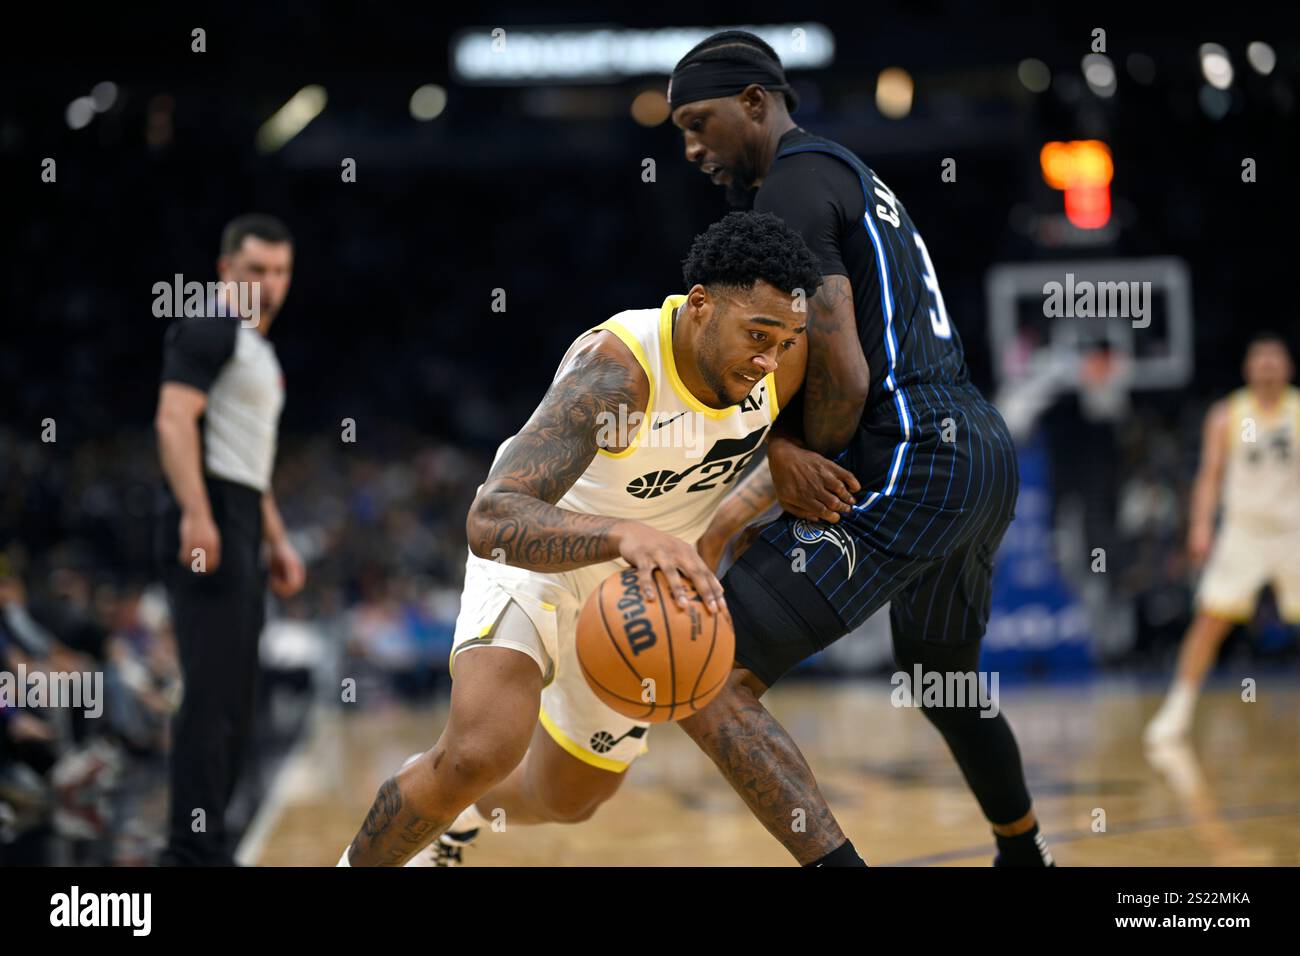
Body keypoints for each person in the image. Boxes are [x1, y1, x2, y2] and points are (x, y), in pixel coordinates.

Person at [667, 30, 1053, 867]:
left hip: (912, 447)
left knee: (710, 676)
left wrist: (793, 453)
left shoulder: (792, 190)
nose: (691, 147)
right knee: (940, 678)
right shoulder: (847, 174)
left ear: (756, 103)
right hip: (978, 448)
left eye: (699, 122)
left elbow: (842, 366)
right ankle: (1026, 858)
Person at [340, 212, 829, 866]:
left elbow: (775, 457)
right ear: (702, 307)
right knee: (478, 753)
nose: (770, 357)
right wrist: (622, 534)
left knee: (569, 799)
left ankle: (458, 818)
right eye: (758, 335)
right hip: (546, 546)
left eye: (787, 338)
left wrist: (720, 525)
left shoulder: (783, 362)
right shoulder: (617, 371)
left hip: (642, 584)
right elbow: (493, 518)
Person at [154, 213, 305, 865]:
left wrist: (276, 540)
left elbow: (254, 463)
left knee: (238, 693)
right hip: (209, 511)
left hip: (239, 511)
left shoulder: (256, 346)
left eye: (279, 272)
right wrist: (196, 514)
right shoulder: (211, 323)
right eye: (255, 270)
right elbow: (172, 419)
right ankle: (187, 852)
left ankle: (211, 841)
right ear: (226, 272)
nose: (268, 284)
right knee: (212, 694)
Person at [1145, 333, 1299, 745]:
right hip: (1244, 530)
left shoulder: (1298, 411)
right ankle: (1178, 709)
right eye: (1260, 359)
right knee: (1211, 618)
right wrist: (1200, 526)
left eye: (1275, 358)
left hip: (1292, 530)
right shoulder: (1230, 414)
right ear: (1248, 368)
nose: (1267, 366)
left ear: (1288, 367)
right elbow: (1210, 477)